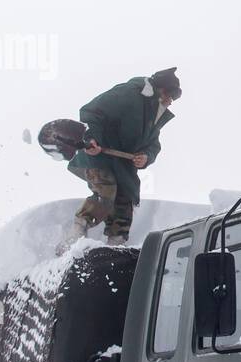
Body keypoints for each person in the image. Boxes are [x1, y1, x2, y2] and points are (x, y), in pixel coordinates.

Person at [66, 67, 181, 245]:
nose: (171, 101)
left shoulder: (154, 116)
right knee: (107, 190)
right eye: (171, 95)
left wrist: (146, 156)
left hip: (123, 168)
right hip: (99, 157)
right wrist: (91, 139)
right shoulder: (129, 94)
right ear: (161, 89)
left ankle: (115, 247)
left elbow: (153, 144)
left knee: (124, 204)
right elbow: (91, 112)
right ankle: (75, 234)